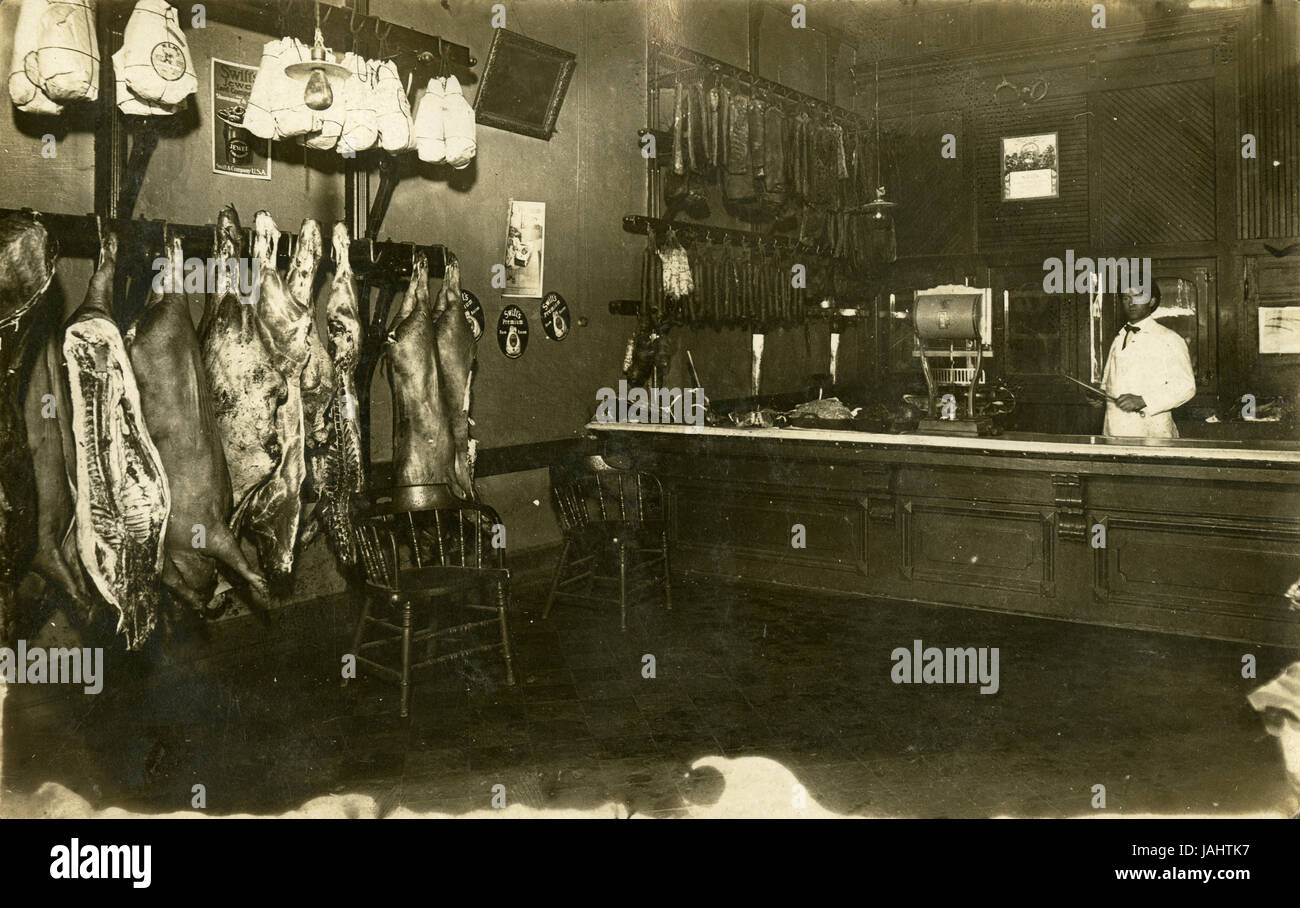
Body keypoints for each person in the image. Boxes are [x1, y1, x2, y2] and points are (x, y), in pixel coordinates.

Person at [1092, 283, 1196, 438]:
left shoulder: (1169, 338)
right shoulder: (1119, 338)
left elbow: (1186, 387)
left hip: (1151, 432)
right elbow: (1109, 384)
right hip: (1114, 431)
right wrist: (1099, 396)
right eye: (1126, 298)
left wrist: (1143, 400)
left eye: (1138, 296)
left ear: (1152, 301)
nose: (1131, 303)